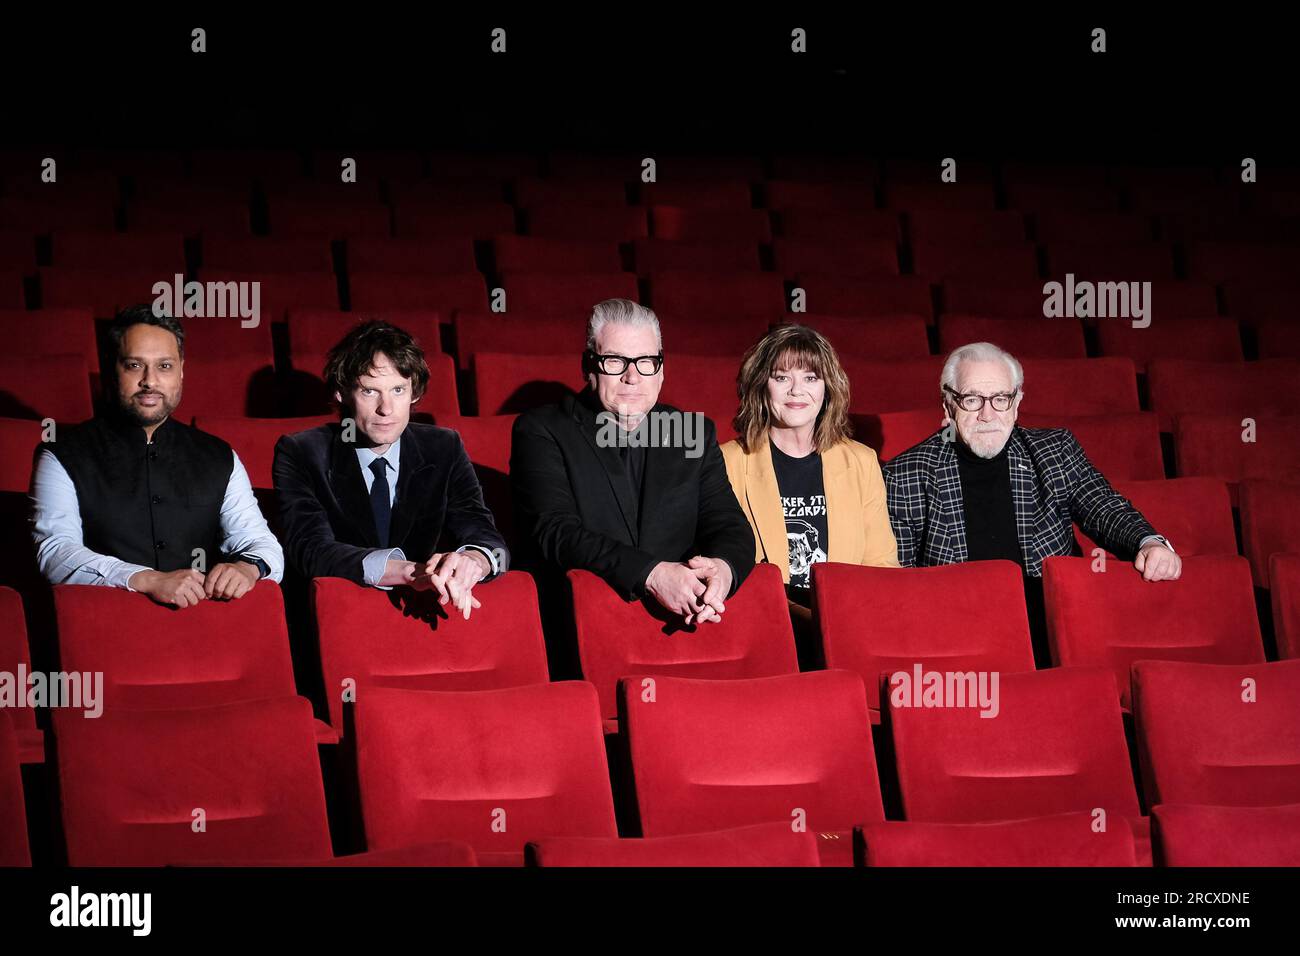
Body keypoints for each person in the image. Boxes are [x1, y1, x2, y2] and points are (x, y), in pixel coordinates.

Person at [510, 298, 755, 638]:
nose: (632, 377)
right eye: (615, 361)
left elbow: (728, 523)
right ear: (587, 367)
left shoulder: (690, 432)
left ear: (661, 370)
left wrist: (723, 571)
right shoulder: (542, 430)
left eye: (646, 362)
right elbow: (555, 532)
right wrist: (652, 575)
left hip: (684, 624)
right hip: (582, 626)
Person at [30, 305, 283, 608]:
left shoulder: (219, 456)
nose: (150, 381)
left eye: (164, 366)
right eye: (135, 365)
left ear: (181, 371)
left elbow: (263, 545)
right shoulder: (61, 454)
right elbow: (55, 554)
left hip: (202, 628)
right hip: (102, 625)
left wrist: (247, 567)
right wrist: (147, 579)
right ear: (112, 369)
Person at [883, 341, 1181, 582]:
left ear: (1016, 405)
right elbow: (905, 586)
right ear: (948, 407)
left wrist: (1148, 542)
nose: (987, 414)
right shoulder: (906, 475)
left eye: (1000, 398)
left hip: (1047, 624)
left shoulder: (1055, 452)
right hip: (959, 632)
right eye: (972, 399)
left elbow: (1102, 507)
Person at [273, 320, 507, 618]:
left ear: (414, 394)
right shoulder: (302, 452)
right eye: (370, 392)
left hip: (427, 612)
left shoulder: (443, 446)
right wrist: (410, 571)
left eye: (398, 390)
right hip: (339, 614)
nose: (387, 409)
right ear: (342, 394)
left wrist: (474, 560)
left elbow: (482, 530)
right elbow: (310, 550)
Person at [721, 323, 899, 597]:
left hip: (843, 617)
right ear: (760, 385)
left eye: (811, 378)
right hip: (767, 620)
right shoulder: (728, 462)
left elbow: (881, 567)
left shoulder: (861, 461)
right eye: (782, 377)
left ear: (828, 388)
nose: (796, 391)